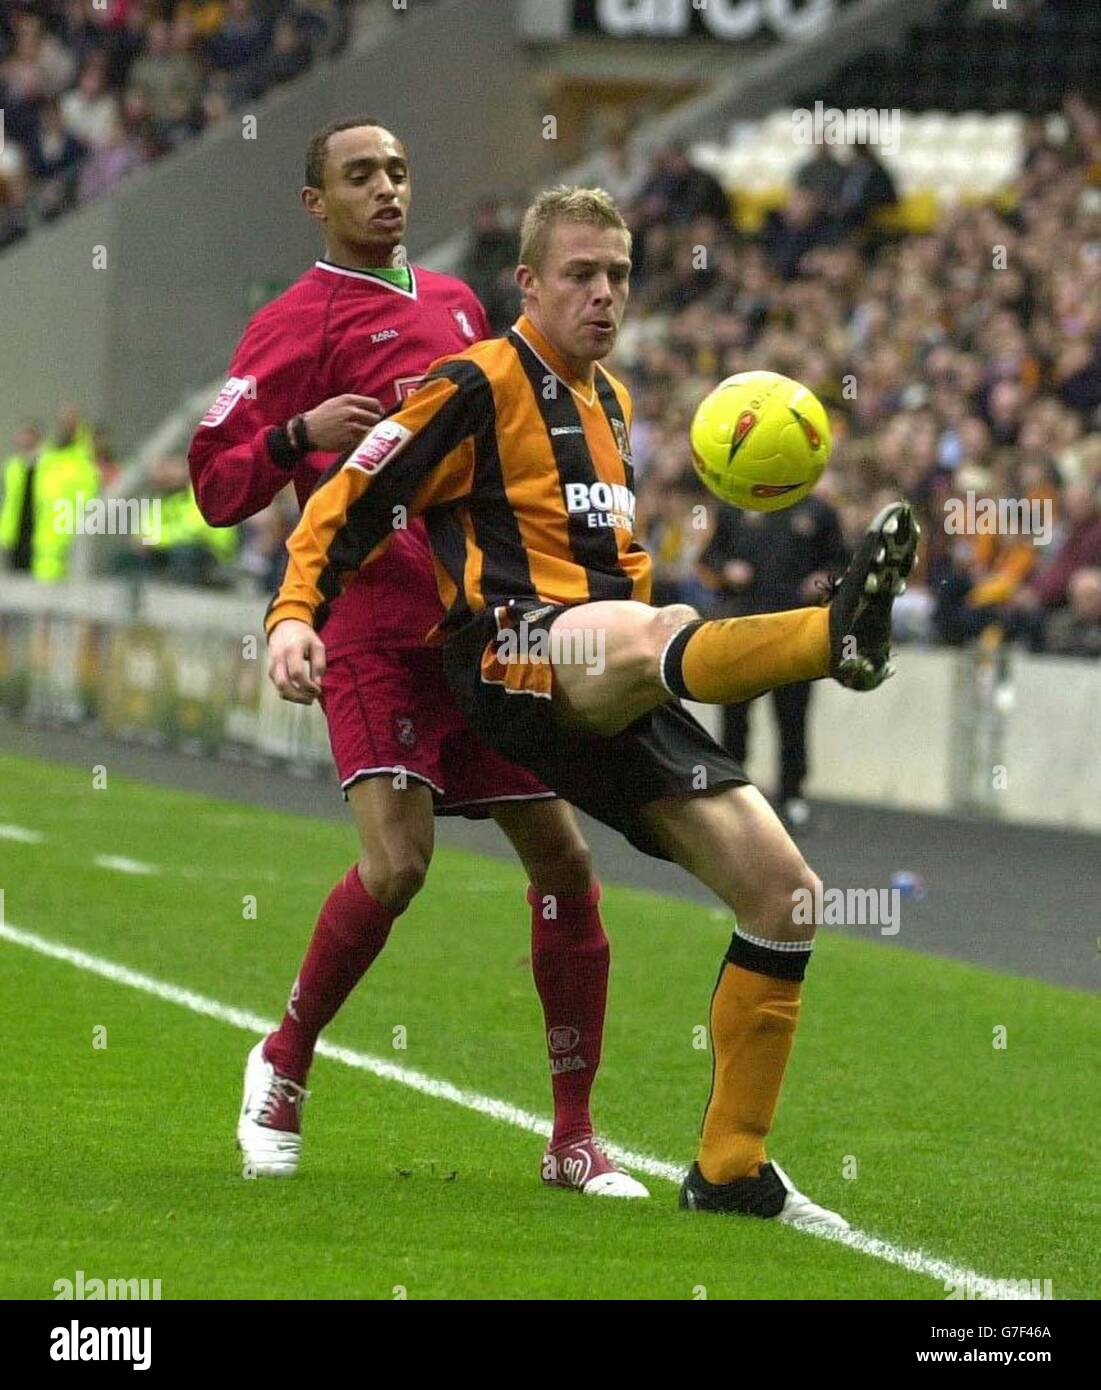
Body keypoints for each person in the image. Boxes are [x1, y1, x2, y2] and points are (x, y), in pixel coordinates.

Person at [265, 186, 919, 1227]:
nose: (604, 293)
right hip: (506, 649)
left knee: (786, 892)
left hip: (609, 671)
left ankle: (731, 1166)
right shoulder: (472, 383)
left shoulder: (613, 405)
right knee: (655, 627)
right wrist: (294, 613)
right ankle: (827, 637)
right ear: (528, 282)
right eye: (580, 273)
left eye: (618, 274)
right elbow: (350, 492)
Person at [189, 123, 642, 1198]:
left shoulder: (457, 306)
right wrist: (297, 434)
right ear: (316, 203)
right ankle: (284, 1062)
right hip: (372, 632)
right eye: (360, 176)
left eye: (397, 170)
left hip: (480, 629)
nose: (387, 188)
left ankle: (572, 1134)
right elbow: (215, 484)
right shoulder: (290, 325)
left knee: (566, 863)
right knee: (399, 868)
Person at [699, 495, 847, 831]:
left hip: (794, 631)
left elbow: (841, 564)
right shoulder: (734, 508)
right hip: (741, 631)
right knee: (734, 718)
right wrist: (726, 569)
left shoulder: (818, 511)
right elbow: (710, 556)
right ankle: (733, 792)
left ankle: (792, 796)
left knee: (793, 719)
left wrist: (822, 579)